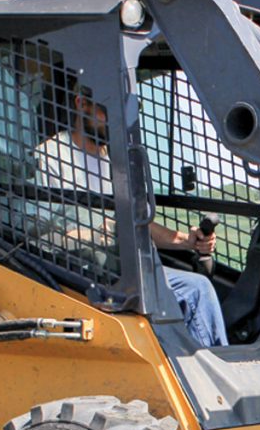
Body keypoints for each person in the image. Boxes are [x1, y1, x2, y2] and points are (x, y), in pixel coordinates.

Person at [35, 85, 229, 348]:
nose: (118, 119)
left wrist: (187, 241)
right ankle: (211, 370)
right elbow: (39, 237)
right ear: (82, 104)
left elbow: (140, 224)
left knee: (196, 287)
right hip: (83, 274)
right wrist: (94, 236)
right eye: (109, 110)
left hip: (126, 268)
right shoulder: (51, 157)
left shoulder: (117, 161)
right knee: (195, 290)